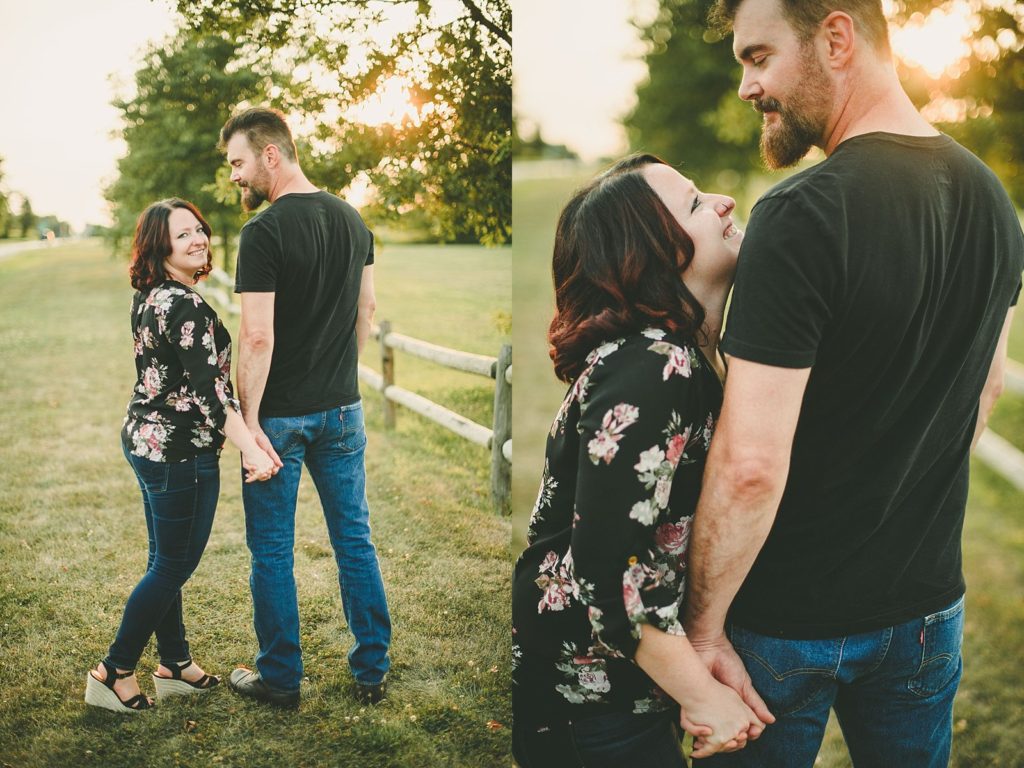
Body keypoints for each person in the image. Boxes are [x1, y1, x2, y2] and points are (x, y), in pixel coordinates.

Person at [682, 1, 1024, 765]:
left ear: (836, 39)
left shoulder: (801, 213)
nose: (747, 86)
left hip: (783, 621)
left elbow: (750, 466)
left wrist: (701, 632)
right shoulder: (994, 204)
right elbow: (984, 396)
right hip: (928, 610)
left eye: (758, 57)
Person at [512, 154, 773, 767]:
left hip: (625, 690)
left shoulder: (678, 359)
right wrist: (703, 696)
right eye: (694, 203)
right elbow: (605, 572)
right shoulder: (653, 366)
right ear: (650, 255)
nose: (724, 202)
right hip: (589, 704)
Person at [218, 107, 391, 709]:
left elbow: (256, 337)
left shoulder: (263, 232)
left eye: (238, 162)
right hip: (343, 409)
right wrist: (340, 376)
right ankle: (372, 671)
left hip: (279, 418)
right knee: (354, 540)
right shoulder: (353, 219)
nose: (235, 176)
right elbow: (366, 310)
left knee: (271, 549)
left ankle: (280, 679)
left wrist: (250, 422)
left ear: (271, 154)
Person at [85, 198, 277, 714]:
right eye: (182, 234)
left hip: (145, 440)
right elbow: (210, 393)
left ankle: (174, 664)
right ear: (160, 247)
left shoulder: (151, 295)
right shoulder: (184, 305)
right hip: (177, 453)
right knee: (171, 566)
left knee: (164, 561)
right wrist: (251, 448)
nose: (197, 239)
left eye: (198, 229)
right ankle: (113, 671)